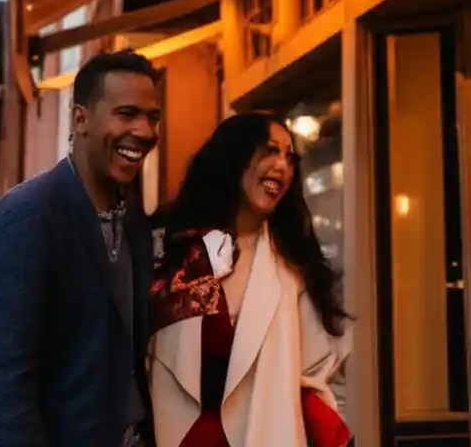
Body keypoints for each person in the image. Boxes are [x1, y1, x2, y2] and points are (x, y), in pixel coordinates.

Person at [0, 51, 162, 447]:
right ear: (80, 119)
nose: (144, 130)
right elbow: (5, 382)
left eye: (152, 117)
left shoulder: (134, 220)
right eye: (126, 113)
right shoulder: (29, 215)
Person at [149, 113, 352, 447]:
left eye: (290, 157)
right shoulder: (175, 250)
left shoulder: (291, 267)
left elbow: (320, 374)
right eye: (270, 151)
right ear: (234, 157)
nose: (282, 166)